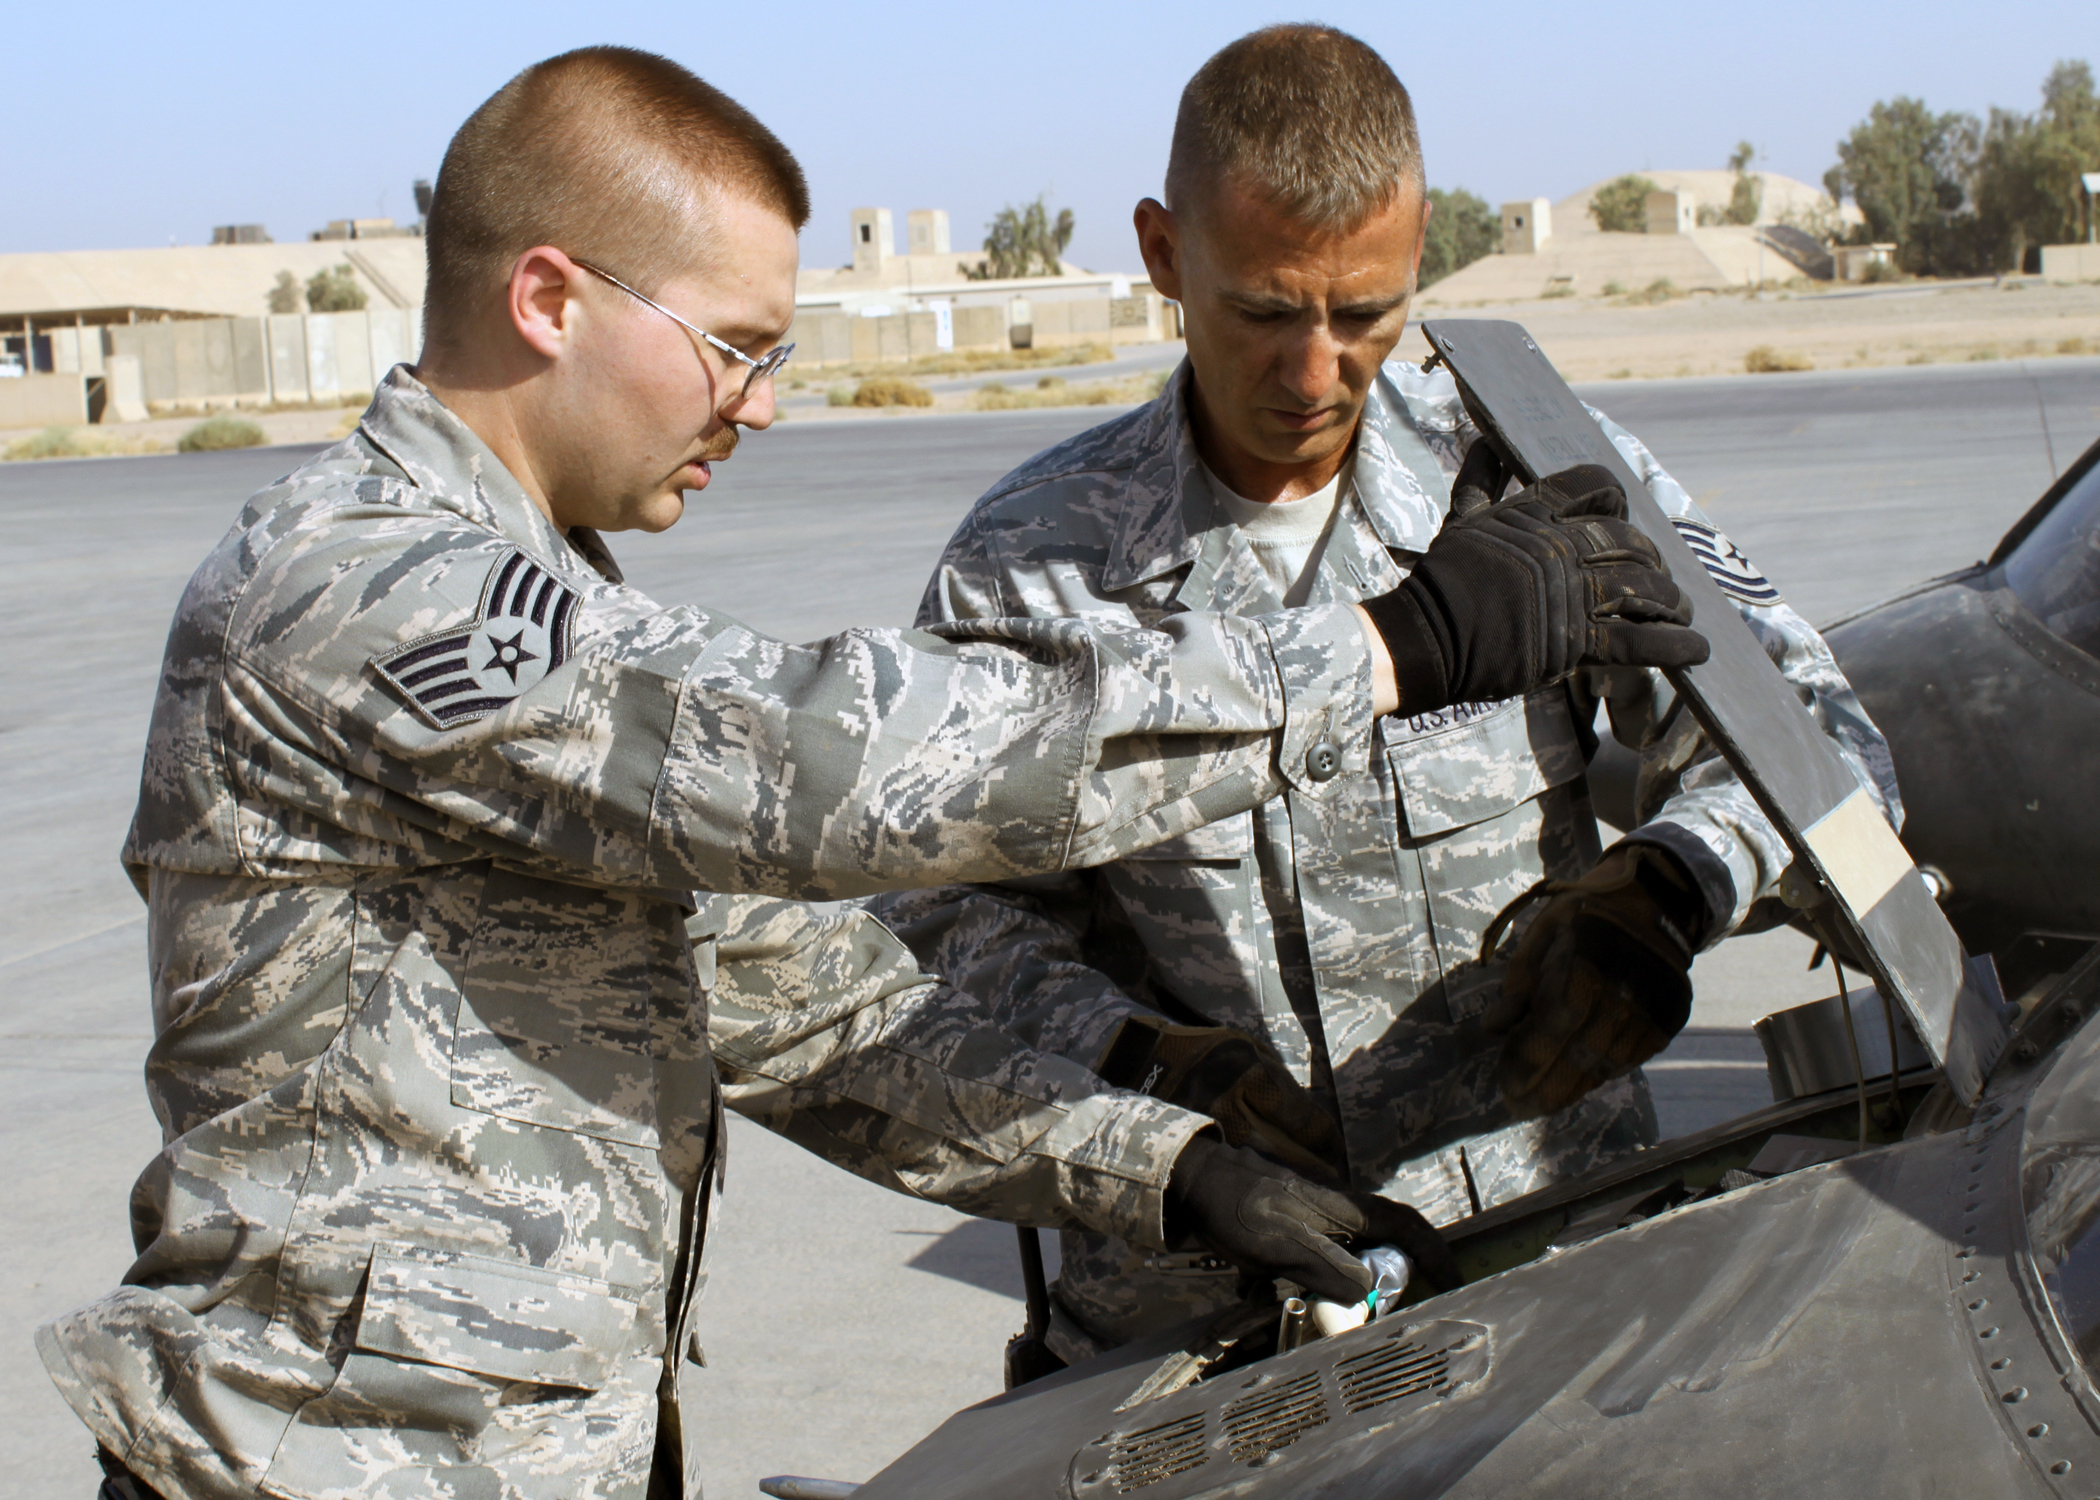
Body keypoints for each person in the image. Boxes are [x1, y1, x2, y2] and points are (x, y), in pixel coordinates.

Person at [36, 45, 1705, 1500]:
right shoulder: (357, 590)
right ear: (551, 298)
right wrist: (1386, 652)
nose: (759, 406)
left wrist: (1168, 1170)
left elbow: (813, 1011)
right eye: (737, 347)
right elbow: (817, 765)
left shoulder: (536, 609)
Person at [870, 23, 1901, 1367]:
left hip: (1550, 1270)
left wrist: (1670, 893)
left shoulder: (1538, 485)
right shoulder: (1031, 566)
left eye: (1365, 316)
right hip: (1199, 1323)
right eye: (1262, 311)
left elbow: (1824, 740)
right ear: (1166, 256)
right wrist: (1142, 1067)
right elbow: (942, 907)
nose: (1315, 374)